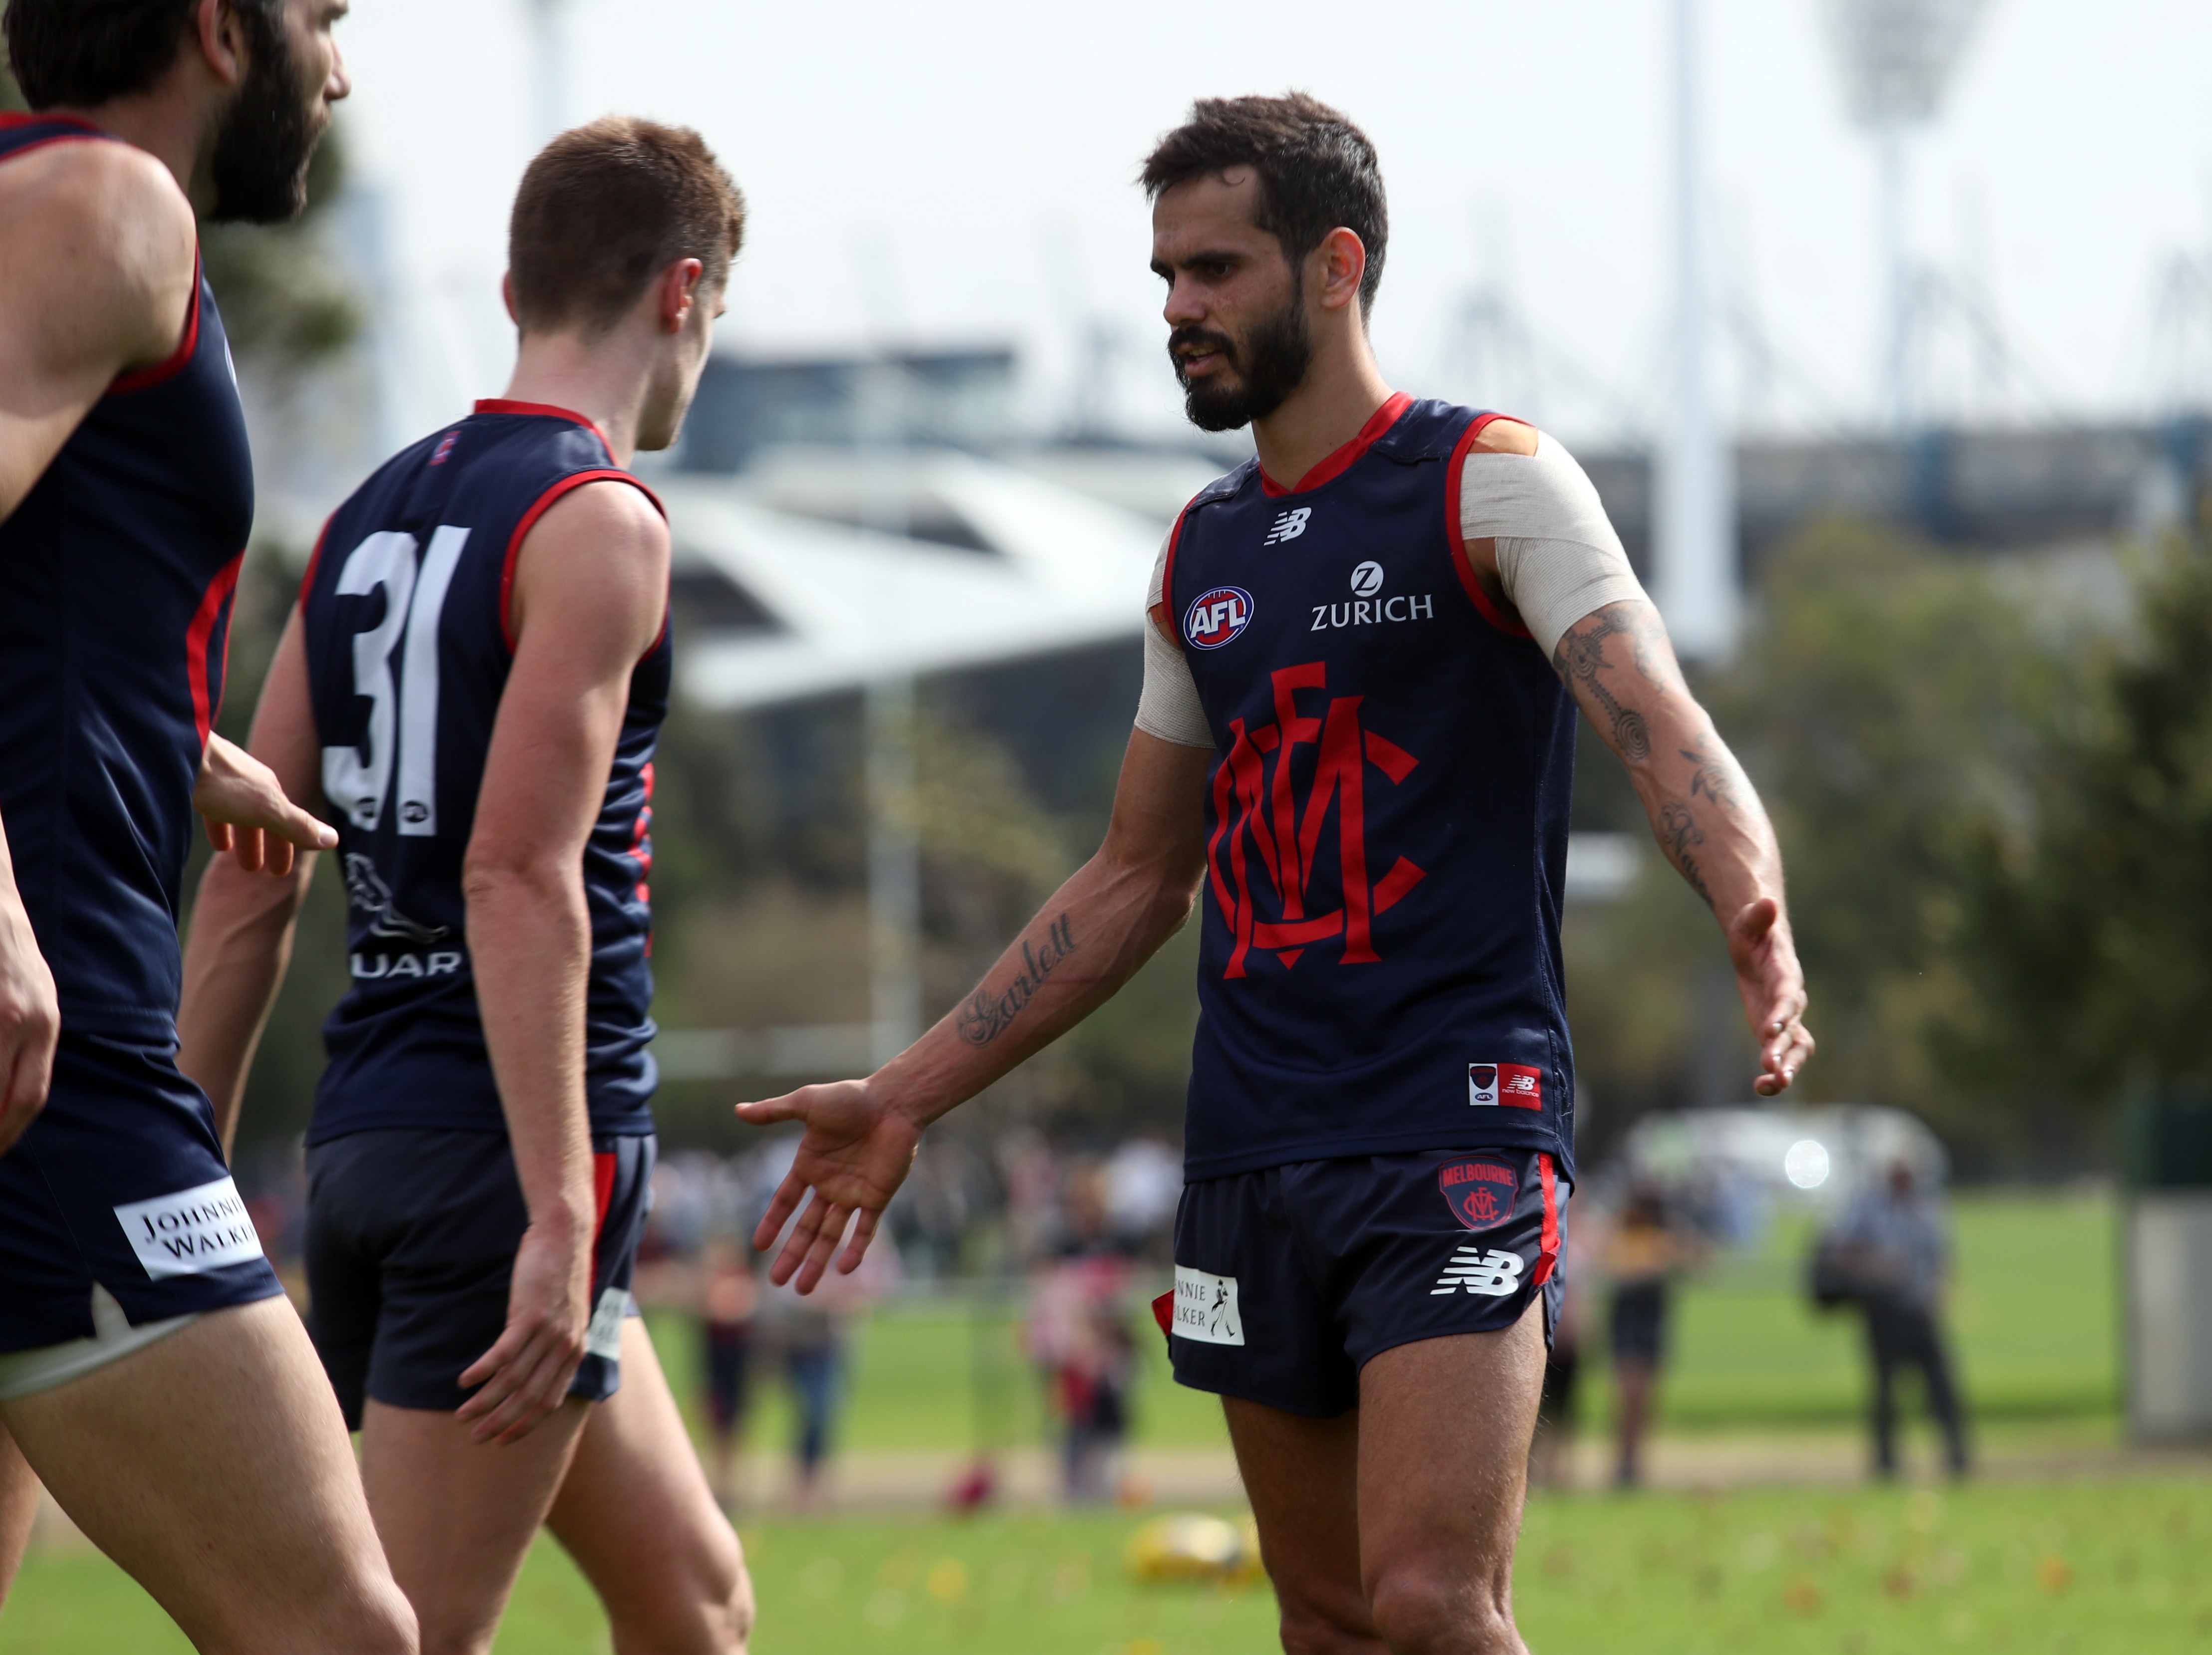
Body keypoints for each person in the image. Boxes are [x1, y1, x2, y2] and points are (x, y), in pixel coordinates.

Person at [738, 93, 1814, 1655]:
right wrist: (905, 1095)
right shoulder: (1200, 553)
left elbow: (1657, 719)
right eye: (1165, 275)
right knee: (1325, 1621)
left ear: (1335, 266)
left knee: (1433, 1602)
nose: (1178, 308)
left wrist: (1747, 901)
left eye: (1216, 269)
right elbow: (1133, 875)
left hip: (1453, 1115)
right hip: (1251, 1144)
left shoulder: (1492, 478)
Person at [175, 117, 753, 1654]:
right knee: (410, 1633)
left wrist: (184, 1156)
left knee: (694, 1597)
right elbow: (514, 871)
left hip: (376, 1136)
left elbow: (254, 869)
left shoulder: (364, 514)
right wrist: (563, 1207)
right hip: (512, 1165)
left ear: (513, 288)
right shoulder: (599, 519)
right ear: (683, 293)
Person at [0, 1, 419, 1646]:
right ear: (218, 30)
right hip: (57, 1055)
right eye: (324, 16)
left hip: (59, 1035)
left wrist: (171, 742)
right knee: (342, 1630)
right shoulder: (105, 203)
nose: (340, 67)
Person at [1832, 1158, 1969, 1480]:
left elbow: (1942, 1254)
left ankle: (1957, 1458)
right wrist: (1874, 1265)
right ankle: (1886, 1462)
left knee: (1942, 1386)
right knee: (1885, 1391)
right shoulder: (1868, 1209)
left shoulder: (1927, 1208)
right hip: (1884, 1311)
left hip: (1921, 1311)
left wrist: (1939, 1290)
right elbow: (1839, 1252)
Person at [1601, 1185, 1696, 1489]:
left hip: (1649, 1319)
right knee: (1629, 1394)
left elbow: (1697, 1261)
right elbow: (1621, 1271)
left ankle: (1633, 1461)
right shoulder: (1626, 1238)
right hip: (1630, 1319)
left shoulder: (1662, 1239)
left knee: (1644, 1398)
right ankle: (1624, 1460)